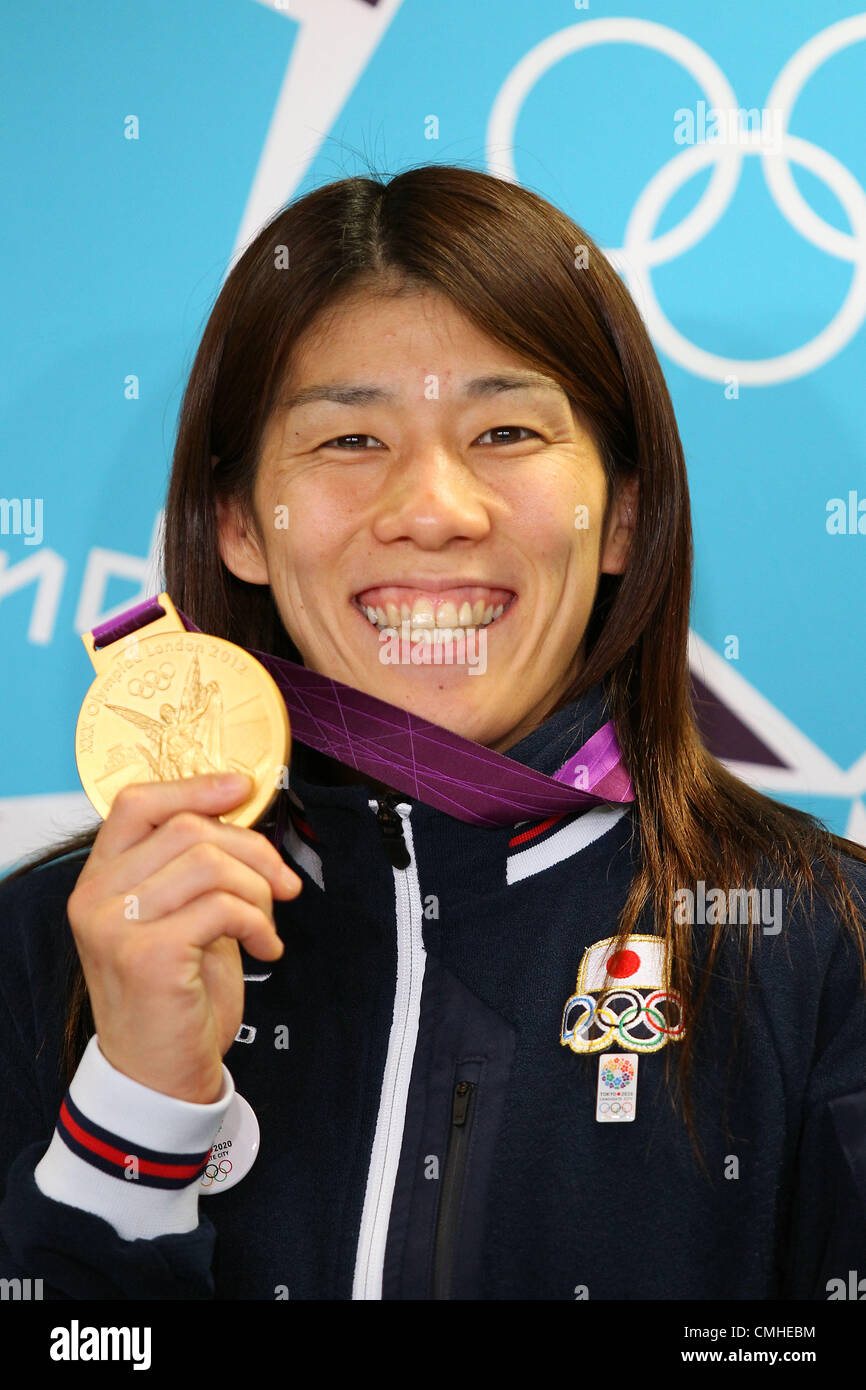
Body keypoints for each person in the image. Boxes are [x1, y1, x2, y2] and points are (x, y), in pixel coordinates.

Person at [1, 163, 864, 1301]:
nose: (433, 511)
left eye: (504, 430)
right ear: (233, 527)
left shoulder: (821, 949)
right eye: (349, 441)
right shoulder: (51, 947)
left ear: (623, 516)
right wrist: (137, 1113)